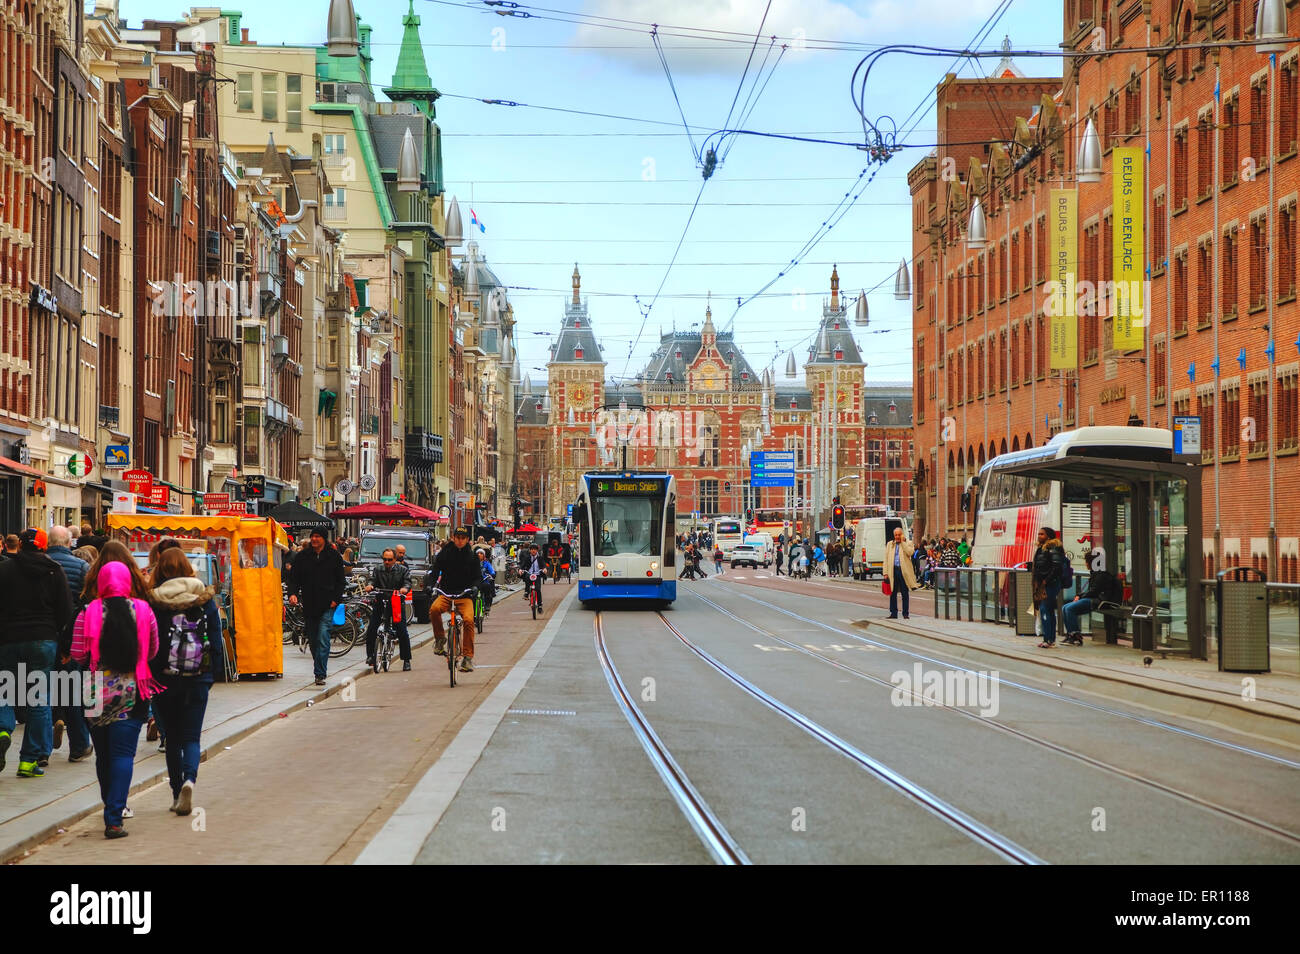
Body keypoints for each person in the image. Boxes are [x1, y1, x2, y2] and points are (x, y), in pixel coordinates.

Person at [71, 560, 161, 838]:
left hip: (95, 693)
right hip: (132, 691)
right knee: (123, 755)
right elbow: (154, 650)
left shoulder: (88, 612)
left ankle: (109, 801)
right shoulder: (144, 611)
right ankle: (114, 817)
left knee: (104, 755)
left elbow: (77, 654)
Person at [148, 547, 223, 815]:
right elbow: (216, 639)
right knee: (192, 737)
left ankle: (176, 791)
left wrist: (152, 675)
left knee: (173, 739)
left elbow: (150, 643)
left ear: (160, 568)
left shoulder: (154, 601)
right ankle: (190, 779)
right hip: (198, 676)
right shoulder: (203, 598)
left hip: (164, 679)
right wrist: (212, 674)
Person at [0, 528, 74, 777]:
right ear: (43, 547)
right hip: (43, 639)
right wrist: (65, 647)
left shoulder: (5, 569)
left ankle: (2, 729)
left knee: (5, 691)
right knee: (38, 697)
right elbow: (66, 612)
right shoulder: (54, 571)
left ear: (19, 545)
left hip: (8, 640)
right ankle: (30, 759)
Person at [46, 527, 91, 764]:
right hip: (72, 635)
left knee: (39, 689)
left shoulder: (41, 565)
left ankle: (41, 747)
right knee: (71, 689)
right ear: (68, 542)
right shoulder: (81, 567)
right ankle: (79, 744)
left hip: (43, 632)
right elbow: (89, 600)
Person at [287, 528, 347, 685]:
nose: (314, 539)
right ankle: (318, 665)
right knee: (313, 640)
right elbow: (293, 579)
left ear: (324, 539)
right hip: (309, 604)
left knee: (323, 637)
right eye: (312, 536)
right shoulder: (302, 557)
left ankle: (320, 673)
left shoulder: (333, 556)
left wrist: (336, 599)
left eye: (317, 537)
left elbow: (341, 581)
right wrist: (292, 594)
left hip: (328, 604)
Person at [430, 527, 480, 673]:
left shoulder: (472, 556)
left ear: (467, 540)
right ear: (453, 538)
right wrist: (430, 585)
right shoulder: (445, 553)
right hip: (446, 593)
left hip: (464, 596)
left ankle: (467, 658)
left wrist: (476, 587)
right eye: (457, 537)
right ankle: (440, 639)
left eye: (463, 538)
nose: (460, 540)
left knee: (469, 620)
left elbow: (477, 576)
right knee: (434, 609)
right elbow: (435, 570)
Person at [363, 548, 413, 671]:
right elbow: (372, 580)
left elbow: (407, 582)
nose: (387, 562)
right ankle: (370, 656)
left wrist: (404, 589)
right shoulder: (378, 569)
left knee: (401, 630)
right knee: (371, 629)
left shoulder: (403, 570)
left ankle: (406, 660)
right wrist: (370, 585)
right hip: (381, 601)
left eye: (389, 560)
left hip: (396, 602)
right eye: (384, 559)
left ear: (395, 560)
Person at [1062, 553, 1117, 646]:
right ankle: (1070, 634)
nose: (1085, 564)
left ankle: (1075, 635)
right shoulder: (1097, 573)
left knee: (1069, 609)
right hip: (1095, 599)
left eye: (1087, 562)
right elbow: (1092, 591)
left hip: (1099, 601)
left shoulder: (1101, 575)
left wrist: (1080, 596)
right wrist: (1080, 595)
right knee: (1064, 607)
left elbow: (1094, 592)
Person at [1031, 527, 1067, 648]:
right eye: (1039, 533)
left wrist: (1046, 580)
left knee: (1045, 609)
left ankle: (1049, 639)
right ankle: (1048, 638)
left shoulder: (1053, 548)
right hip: (1043, 583)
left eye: (1042, 534)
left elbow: (1056, 566)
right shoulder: (1042, 548)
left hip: (1050, 584)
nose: (1039, 536)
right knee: (1046, 610)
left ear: (1049, 536)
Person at [884, 527, 920, 619]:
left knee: (905, 592)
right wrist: (885, 573)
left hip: (903, 571)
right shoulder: (890, 544)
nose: (897, 537)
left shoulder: (908, 543)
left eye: (899, 535)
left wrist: (903, 542)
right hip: (893, 571)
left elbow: (910, 552)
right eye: (896, 535)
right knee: (892, 592)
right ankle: (893, 613)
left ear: (902, 534)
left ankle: (905, 613)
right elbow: (886, 559)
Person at [477, 548, 497, 614]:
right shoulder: (473, 563)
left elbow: (491, 571)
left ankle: (487, 605)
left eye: (481, 553)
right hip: (476, 581)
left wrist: (492, 574)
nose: (479, 555)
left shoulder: (487, 563)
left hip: (484, 580)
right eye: (478, 553)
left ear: (484, 555)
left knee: (487, 586)